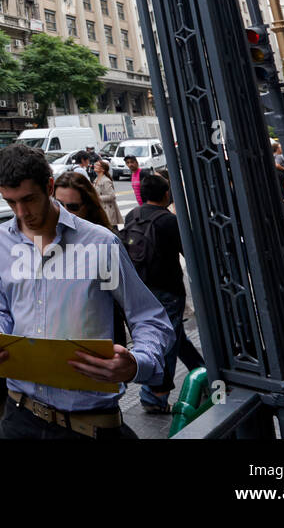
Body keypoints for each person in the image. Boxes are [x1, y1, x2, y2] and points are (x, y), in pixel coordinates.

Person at [0, 144, 173, 440]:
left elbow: (150, 318)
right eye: (10, 202)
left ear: (50, 186)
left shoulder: (99, 245)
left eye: (28, 199)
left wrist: (134, 363)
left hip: (88, 425)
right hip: (19, 415)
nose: (21, 213)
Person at [120, 172, 205, 413]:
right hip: (168, 290)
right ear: (166, 194)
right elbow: (189, 253)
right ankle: (153, 397)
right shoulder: (169, 221)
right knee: (165, 341)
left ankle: (201, 369)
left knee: (175, 335)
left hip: (141, 288)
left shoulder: (132, 215)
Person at [93, 159, 122, 227]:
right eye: (95, 164)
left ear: (103, 169)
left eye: (97, 165)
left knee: (111, 230)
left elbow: (112, 196)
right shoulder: (96, 179)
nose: (95, 166)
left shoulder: (106, 181)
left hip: (107, 210)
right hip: (100, 209)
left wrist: (97, 198)